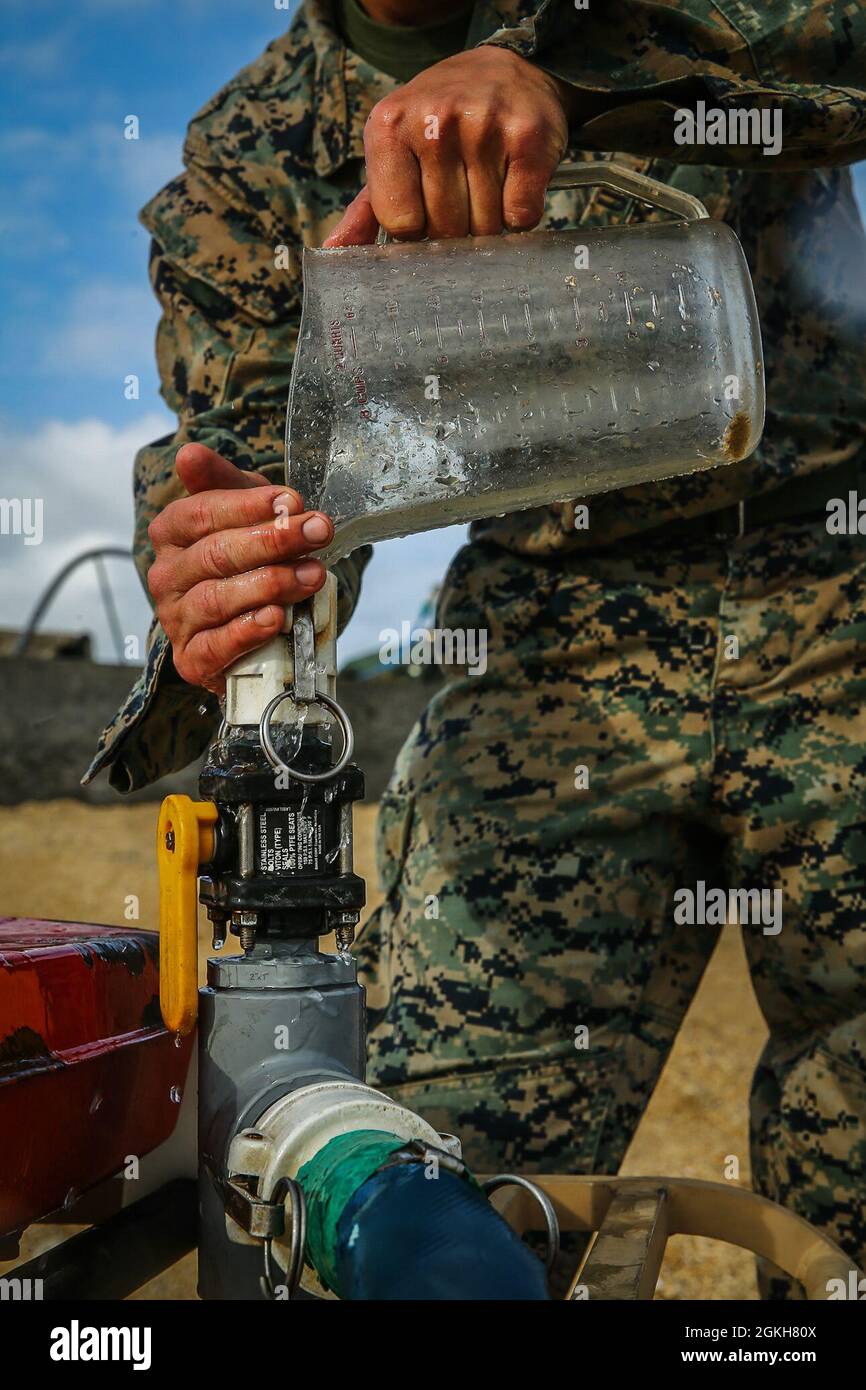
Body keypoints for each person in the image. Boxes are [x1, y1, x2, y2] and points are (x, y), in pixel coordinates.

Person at [85, 0, 866, 1296]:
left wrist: (566, 67)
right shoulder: (253, 148)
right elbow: (258, 461)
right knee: (426, 1197)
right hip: (553, 641)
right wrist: (218, 574)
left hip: (835, 587)